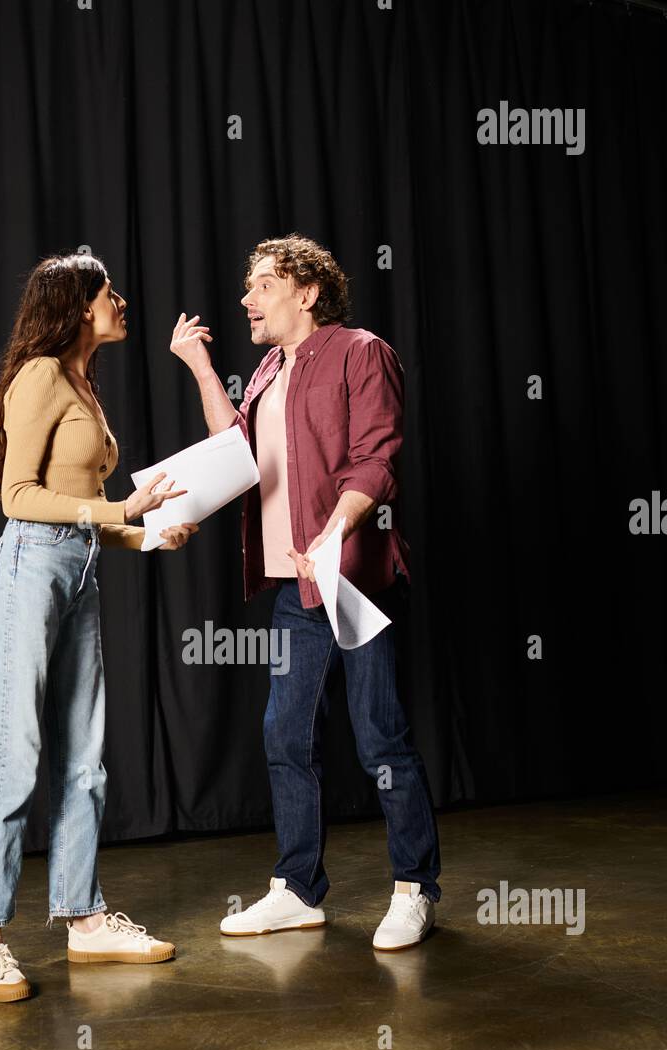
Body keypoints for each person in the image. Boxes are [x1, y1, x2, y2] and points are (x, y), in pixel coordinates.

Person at [170, 233, 440, 951]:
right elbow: (236, 456)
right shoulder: (266, 371)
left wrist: (335, 533)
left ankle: (414, 889)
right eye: (248, 284)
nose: (246, 297)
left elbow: (376, 459)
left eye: (262, 283)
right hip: (297, 588)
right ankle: (297, 890)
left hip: (357, 580)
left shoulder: (360, 351)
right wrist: (201, 368)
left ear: (307, 292)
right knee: (285, 733)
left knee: (378, 732)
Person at [0, 251, 196, 1002]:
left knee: (85, 757)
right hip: (30, 567)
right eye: (109, 294)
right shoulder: (39, 376)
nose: (121, 301)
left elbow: (87, 513)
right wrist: (118, 513)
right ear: (76, 305)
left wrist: (146, 533)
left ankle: (83, 920)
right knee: (19, 751)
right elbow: (18, 497)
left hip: (80, 566)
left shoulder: (83, 384)